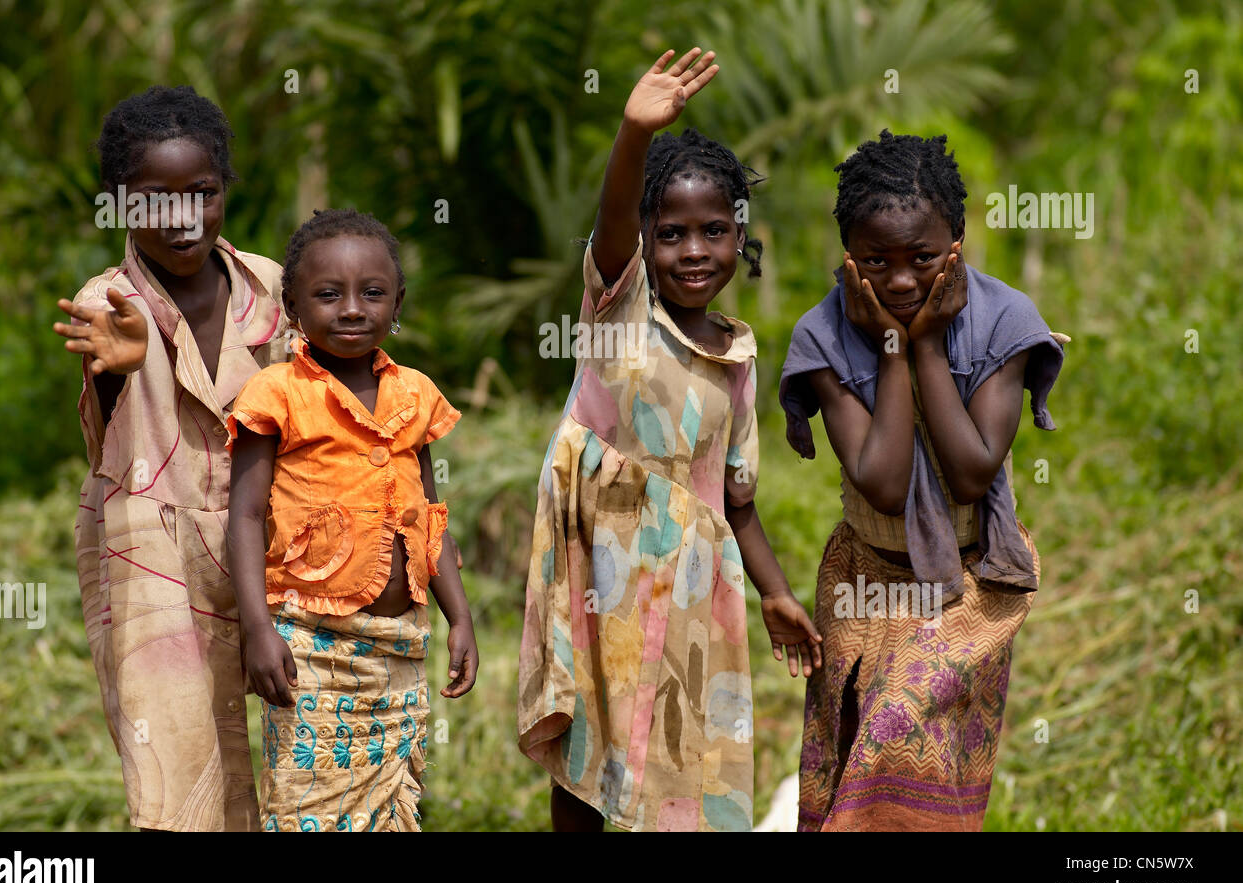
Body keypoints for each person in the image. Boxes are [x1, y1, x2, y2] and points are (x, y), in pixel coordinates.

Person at [518, 48, 822, 832]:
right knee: (588, 751)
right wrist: (632, 133)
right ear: (647, 240)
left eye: (714, 231)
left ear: (738, 235)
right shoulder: (619, 308)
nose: (694, 250)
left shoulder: (740, 355)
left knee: (688, 757)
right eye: (673, 232)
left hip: (693, 579)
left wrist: (777, 593)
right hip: (601, 570)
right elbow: (612, 219)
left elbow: (738, 498)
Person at [780, 129, 1067, 831]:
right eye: (876, 260)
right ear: (849, 256)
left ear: (958, 245)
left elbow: (971, 472)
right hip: (866, 578)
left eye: (923, 258)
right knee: (853, 757)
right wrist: (891, 349)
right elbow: (881, 480)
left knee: (911, 745)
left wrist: (929, 342)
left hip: (971, 585)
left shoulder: (1004, 321)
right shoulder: (823, 335)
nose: (901, 280)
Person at [54, 85, 287, 830]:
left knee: (297, 757)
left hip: (271, 544)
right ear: (121, 203)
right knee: (181, 775)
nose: (183, 217)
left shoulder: (273, 288)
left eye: (204, 193)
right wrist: (124, 364)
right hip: (151, 555)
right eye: (156, 199)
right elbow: (108, 425)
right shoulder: (107, 304)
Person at [226, 208, 477, 832]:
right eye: (328, 295)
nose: (352, 309)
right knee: (310, 804)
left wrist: (461, 615)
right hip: (310, 646)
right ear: (292, 306)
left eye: (372, 293)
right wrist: (258, 629)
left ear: (397, 303)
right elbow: (245, 515)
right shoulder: (276, 393)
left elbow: (427, 518)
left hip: (400, 648)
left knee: (390, 806)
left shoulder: (415, 394)